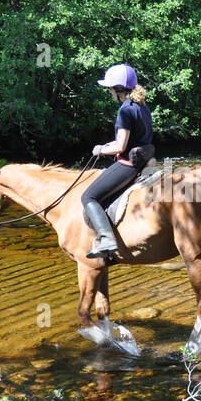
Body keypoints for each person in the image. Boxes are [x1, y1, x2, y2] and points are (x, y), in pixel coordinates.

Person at [81, 63, 155, 261]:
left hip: (129, 164)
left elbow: (121, 147)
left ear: (117, 89)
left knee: (89, 197)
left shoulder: (125, 110)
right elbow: (133, 138)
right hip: (145, 161)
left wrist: (101, 149)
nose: (109, 92)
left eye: (110, 89)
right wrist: (110, 143)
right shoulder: (141, 106)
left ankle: (106, 240)